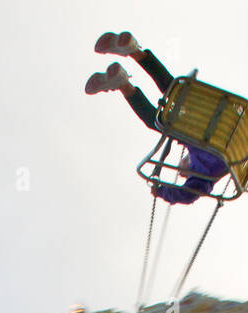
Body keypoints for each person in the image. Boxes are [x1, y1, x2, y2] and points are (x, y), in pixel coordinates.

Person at [84, 31, 230, 205]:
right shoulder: (204, 174)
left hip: (210, 112)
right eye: (182, 172)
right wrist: (160, 192)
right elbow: (187, 195)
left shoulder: (221, 147)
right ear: (189, 170)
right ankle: (123, 84)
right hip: (199, 128)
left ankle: (133, 51)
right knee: (154, 120)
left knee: (172, 88)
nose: (180, 170)